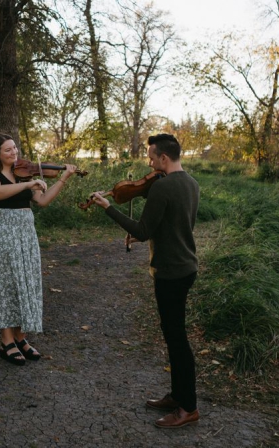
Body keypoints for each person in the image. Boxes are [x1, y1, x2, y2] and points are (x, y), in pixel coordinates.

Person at [90, 133, 200, 428]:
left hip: (171, 271)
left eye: (152, 157)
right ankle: (178, 396)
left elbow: (142, 230)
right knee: (174, 335)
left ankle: (188, 408)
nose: (149, 163)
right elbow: (174, 224)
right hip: (186, 266)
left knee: (176, 340)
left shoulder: (162, 187)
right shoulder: (191, 183)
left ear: (164, 157)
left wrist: (107, 207)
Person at [0, 133, 77, 366]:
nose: (13, 153)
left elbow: (43, 200)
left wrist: (63, 177)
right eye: (7, 150)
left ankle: (20, 337)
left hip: (26, 233)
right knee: (6, 283)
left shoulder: (23, 172)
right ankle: (6, 342)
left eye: (14, 148)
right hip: (4, 233)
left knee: (26, 281)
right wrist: (28, 184)